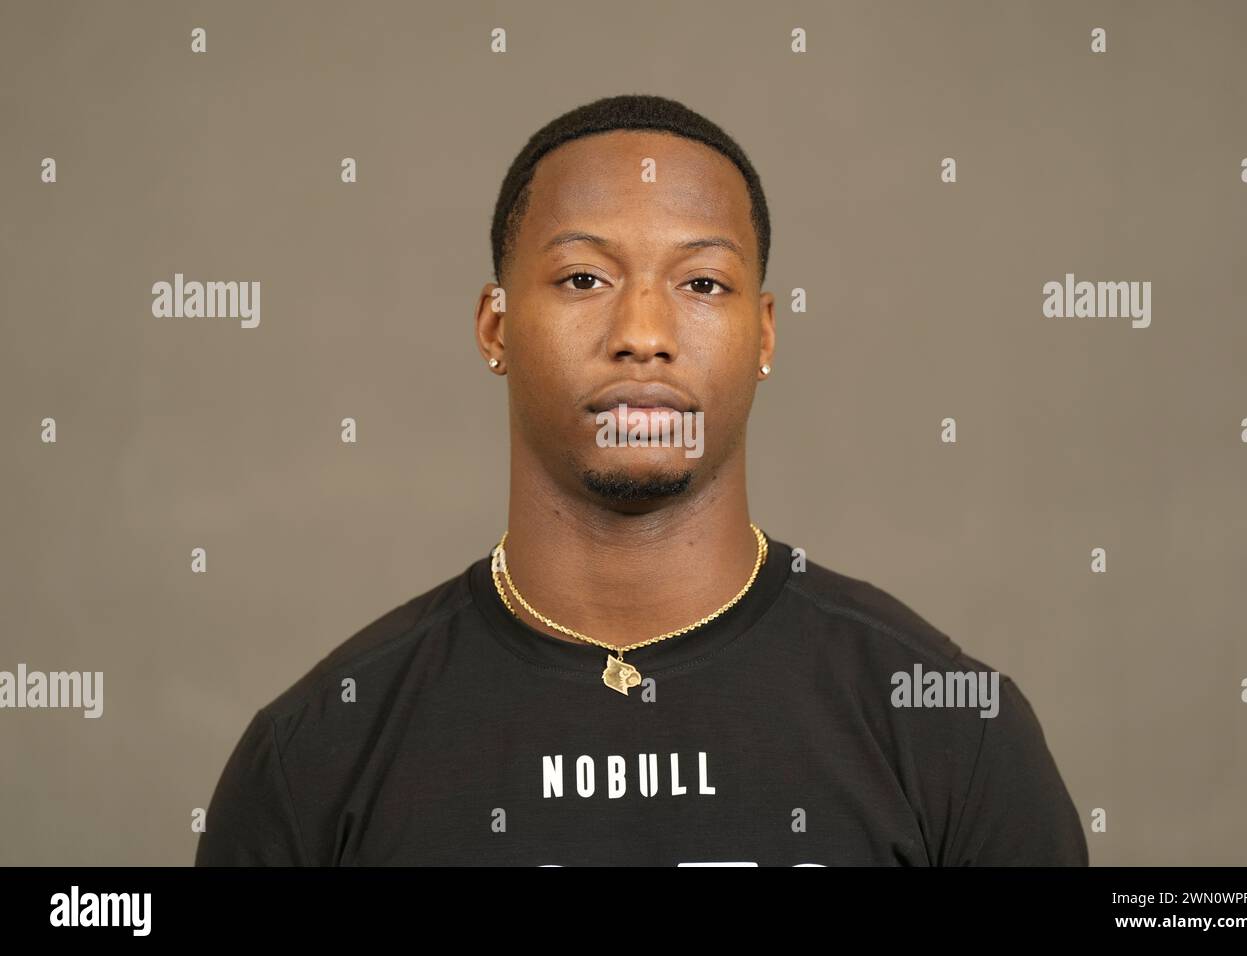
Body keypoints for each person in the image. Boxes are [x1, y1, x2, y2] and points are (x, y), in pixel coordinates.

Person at [196, 93, 1088, 866]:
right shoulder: (317, 755)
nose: (645, 332)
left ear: (766, 334)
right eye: (584, 276)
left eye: (702, 282)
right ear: (495, 327)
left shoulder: (950, 731)